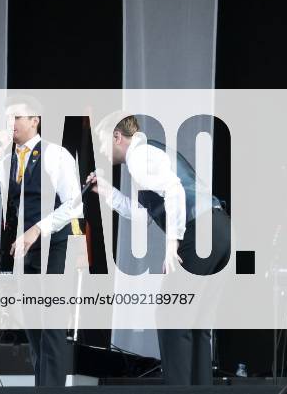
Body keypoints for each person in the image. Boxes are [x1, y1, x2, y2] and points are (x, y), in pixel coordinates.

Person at [87, 114, 230, 385]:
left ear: (117, 137)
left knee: (170, 315)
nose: (101, 150)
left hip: (200, 231)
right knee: (195, 324)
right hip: (220, 230)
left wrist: (172, 243)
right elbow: (141, 213)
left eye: (102, 143)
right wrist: (106, 192)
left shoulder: (140, 157)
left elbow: (174, 190)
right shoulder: (149, 153)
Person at [0, 98, 82, 386]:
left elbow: (74, 204)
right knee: (34, 327)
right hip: (21, 251)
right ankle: (42, 386)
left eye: (17, 118)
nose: (11, 124)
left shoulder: (56, 155)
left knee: (52, 327)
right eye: (8, 119)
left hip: (54, 247)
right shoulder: (5, 159)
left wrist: (37, 229)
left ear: (35, 120)